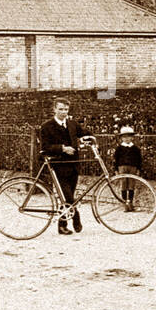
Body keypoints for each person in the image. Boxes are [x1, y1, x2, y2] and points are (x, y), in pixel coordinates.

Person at [39, 98, 90, 236]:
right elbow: (45, 147)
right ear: (54, 109)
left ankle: (62, 226)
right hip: (58, 165)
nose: (63, 112)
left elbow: (84, 133)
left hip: (73, 165)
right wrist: (63, 148)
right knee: (67, 196)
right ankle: (76, 216)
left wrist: (91, 138)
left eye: (66, 109)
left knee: (68, 196)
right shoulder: (47, 126)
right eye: (60, 109)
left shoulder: (72, 124)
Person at [113, 125, 143, 210]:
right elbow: (115, 159)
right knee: (123, 185)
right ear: (121, 138)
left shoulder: (135, 149)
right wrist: (116, 170)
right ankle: (124, 203)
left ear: (132, 137)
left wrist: (138, 169)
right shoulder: (119, 148)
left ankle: (130, 202)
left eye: (129, 136)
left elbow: (139, 159)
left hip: (132, 168)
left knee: (131, 185)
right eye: (124, 137)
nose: (127, 139)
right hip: (122, 168)